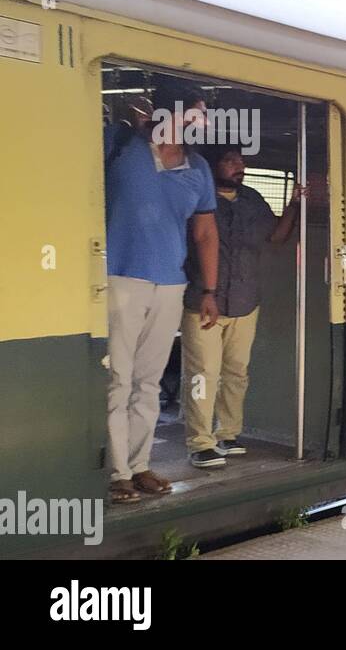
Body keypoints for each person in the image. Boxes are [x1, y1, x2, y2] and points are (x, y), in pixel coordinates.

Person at [104, 82, 221, 504]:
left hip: (171, 282)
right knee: (117, 378)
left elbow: (205, 232)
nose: (203, 123)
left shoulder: (199, 168)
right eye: (196, 114)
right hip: (120, 276)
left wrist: (209, 289)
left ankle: (138, 466)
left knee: (148, 381)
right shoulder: (119, 146)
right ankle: (115, 471)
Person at [182, 146, 307, 469]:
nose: (240, 166)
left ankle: (228, 433)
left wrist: (294, 204)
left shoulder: (252, 199)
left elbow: (277, 235)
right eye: (230, 161)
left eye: (241, 160)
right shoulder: (196, 197)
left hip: (245, 300)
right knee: (203, 374)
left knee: (236, 373)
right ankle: (199, 442)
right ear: (211, 166)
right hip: (203, 301)